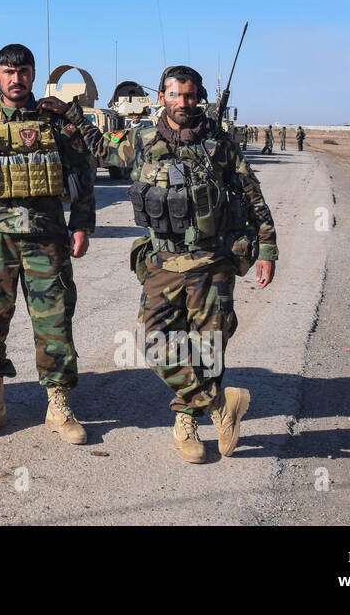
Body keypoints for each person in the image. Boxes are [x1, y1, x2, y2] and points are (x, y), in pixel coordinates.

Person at [64, 65, 278, 463]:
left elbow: (253, 196)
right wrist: (72, 115)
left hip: (211, 262)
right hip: (162, 261)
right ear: (161, 97)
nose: (183, 103)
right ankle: (218, 406)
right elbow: (101, 147)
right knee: (157, 343)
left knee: (207, 348)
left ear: (199, 98)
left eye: (190, 96)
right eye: (175, 95)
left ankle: (187, 425)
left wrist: (266, 249)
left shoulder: (218, 145)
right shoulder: (142, 139)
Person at [0, 43, 96, 444]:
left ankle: (58, 405)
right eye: (8, 72)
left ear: (32, 74)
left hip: (47, 237)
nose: (16, 78)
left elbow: (82, 172)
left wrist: (82, 224)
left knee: (55, 322)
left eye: (23, 71)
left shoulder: (56, 121)